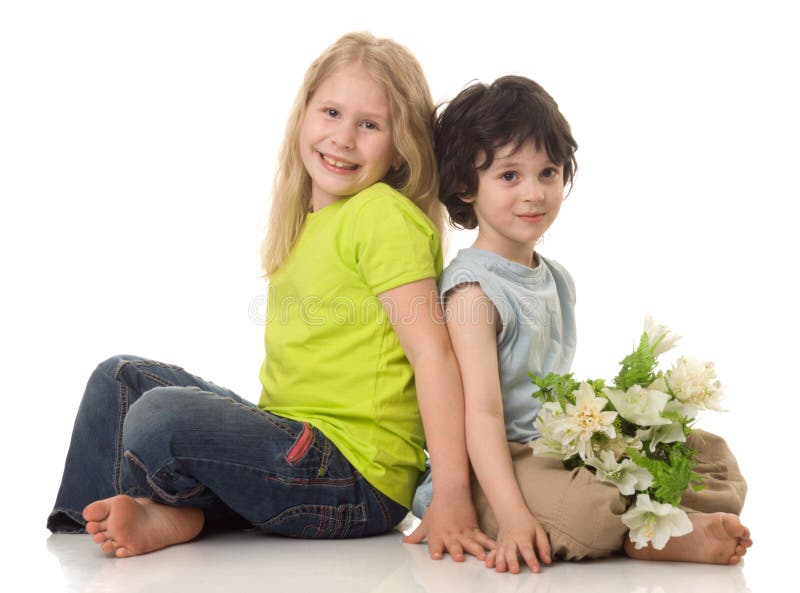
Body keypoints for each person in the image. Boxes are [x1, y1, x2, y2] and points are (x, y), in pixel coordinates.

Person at [47, 31, 492, 561]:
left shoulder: (381, 215)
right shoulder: (306, 223)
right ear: (303, 114)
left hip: (354, 479)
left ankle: (175, 510)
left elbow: (432, 354)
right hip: (295, 446)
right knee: (119, 378)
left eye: (370, 125)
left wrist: (452, 493)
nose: (343, 138)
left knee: (159, 414)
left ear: (401, 150)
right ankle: (94, 525)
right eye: (331, 113)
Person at [412, 75, 752, 573]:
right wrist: (510, 517)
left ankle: (657, 518)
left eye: (547, 172)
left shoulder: (557, 280)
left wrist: (611, 435)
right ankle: (648, 533)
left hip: (553, 450)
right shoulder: (472, 290)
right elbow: (481, 416)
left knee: (710, 454)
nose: (534, 193)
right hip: (495, 465)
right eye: (509, 176)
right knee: (590, 511)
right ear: (466, 185)